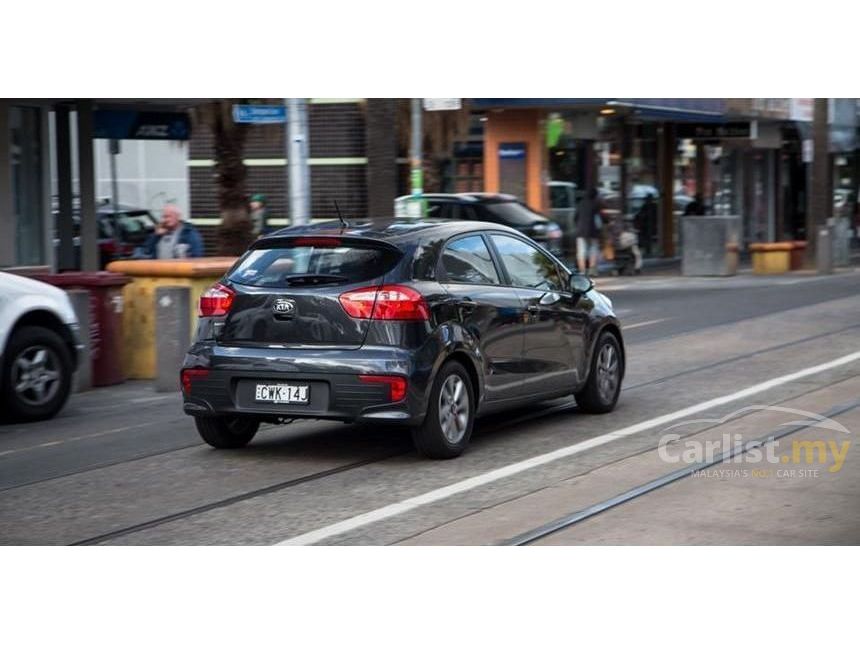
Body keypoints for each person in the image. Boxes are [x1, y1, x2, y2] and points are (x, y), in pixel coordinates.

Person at [139, 204, 204, 259]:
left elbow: (197, 257)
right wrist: (156, 235)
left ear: (178, 217)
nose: (166, 220)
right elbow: (146, 251)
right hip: (159, 272)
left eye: (169, 216)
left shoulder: (189, 233)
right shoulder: (159, 234)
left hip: (179, 272)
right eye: (164, 217)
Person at [575, 188, 602, 276]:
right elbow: (598, 220)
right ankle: (592, 270)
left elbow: (575, 217)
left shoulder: (580, 204)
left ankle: (582, 271)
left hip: (581, 231)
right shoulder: (595, 205)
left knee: (581, 251)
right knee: (593, 249)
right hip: (592, 231)